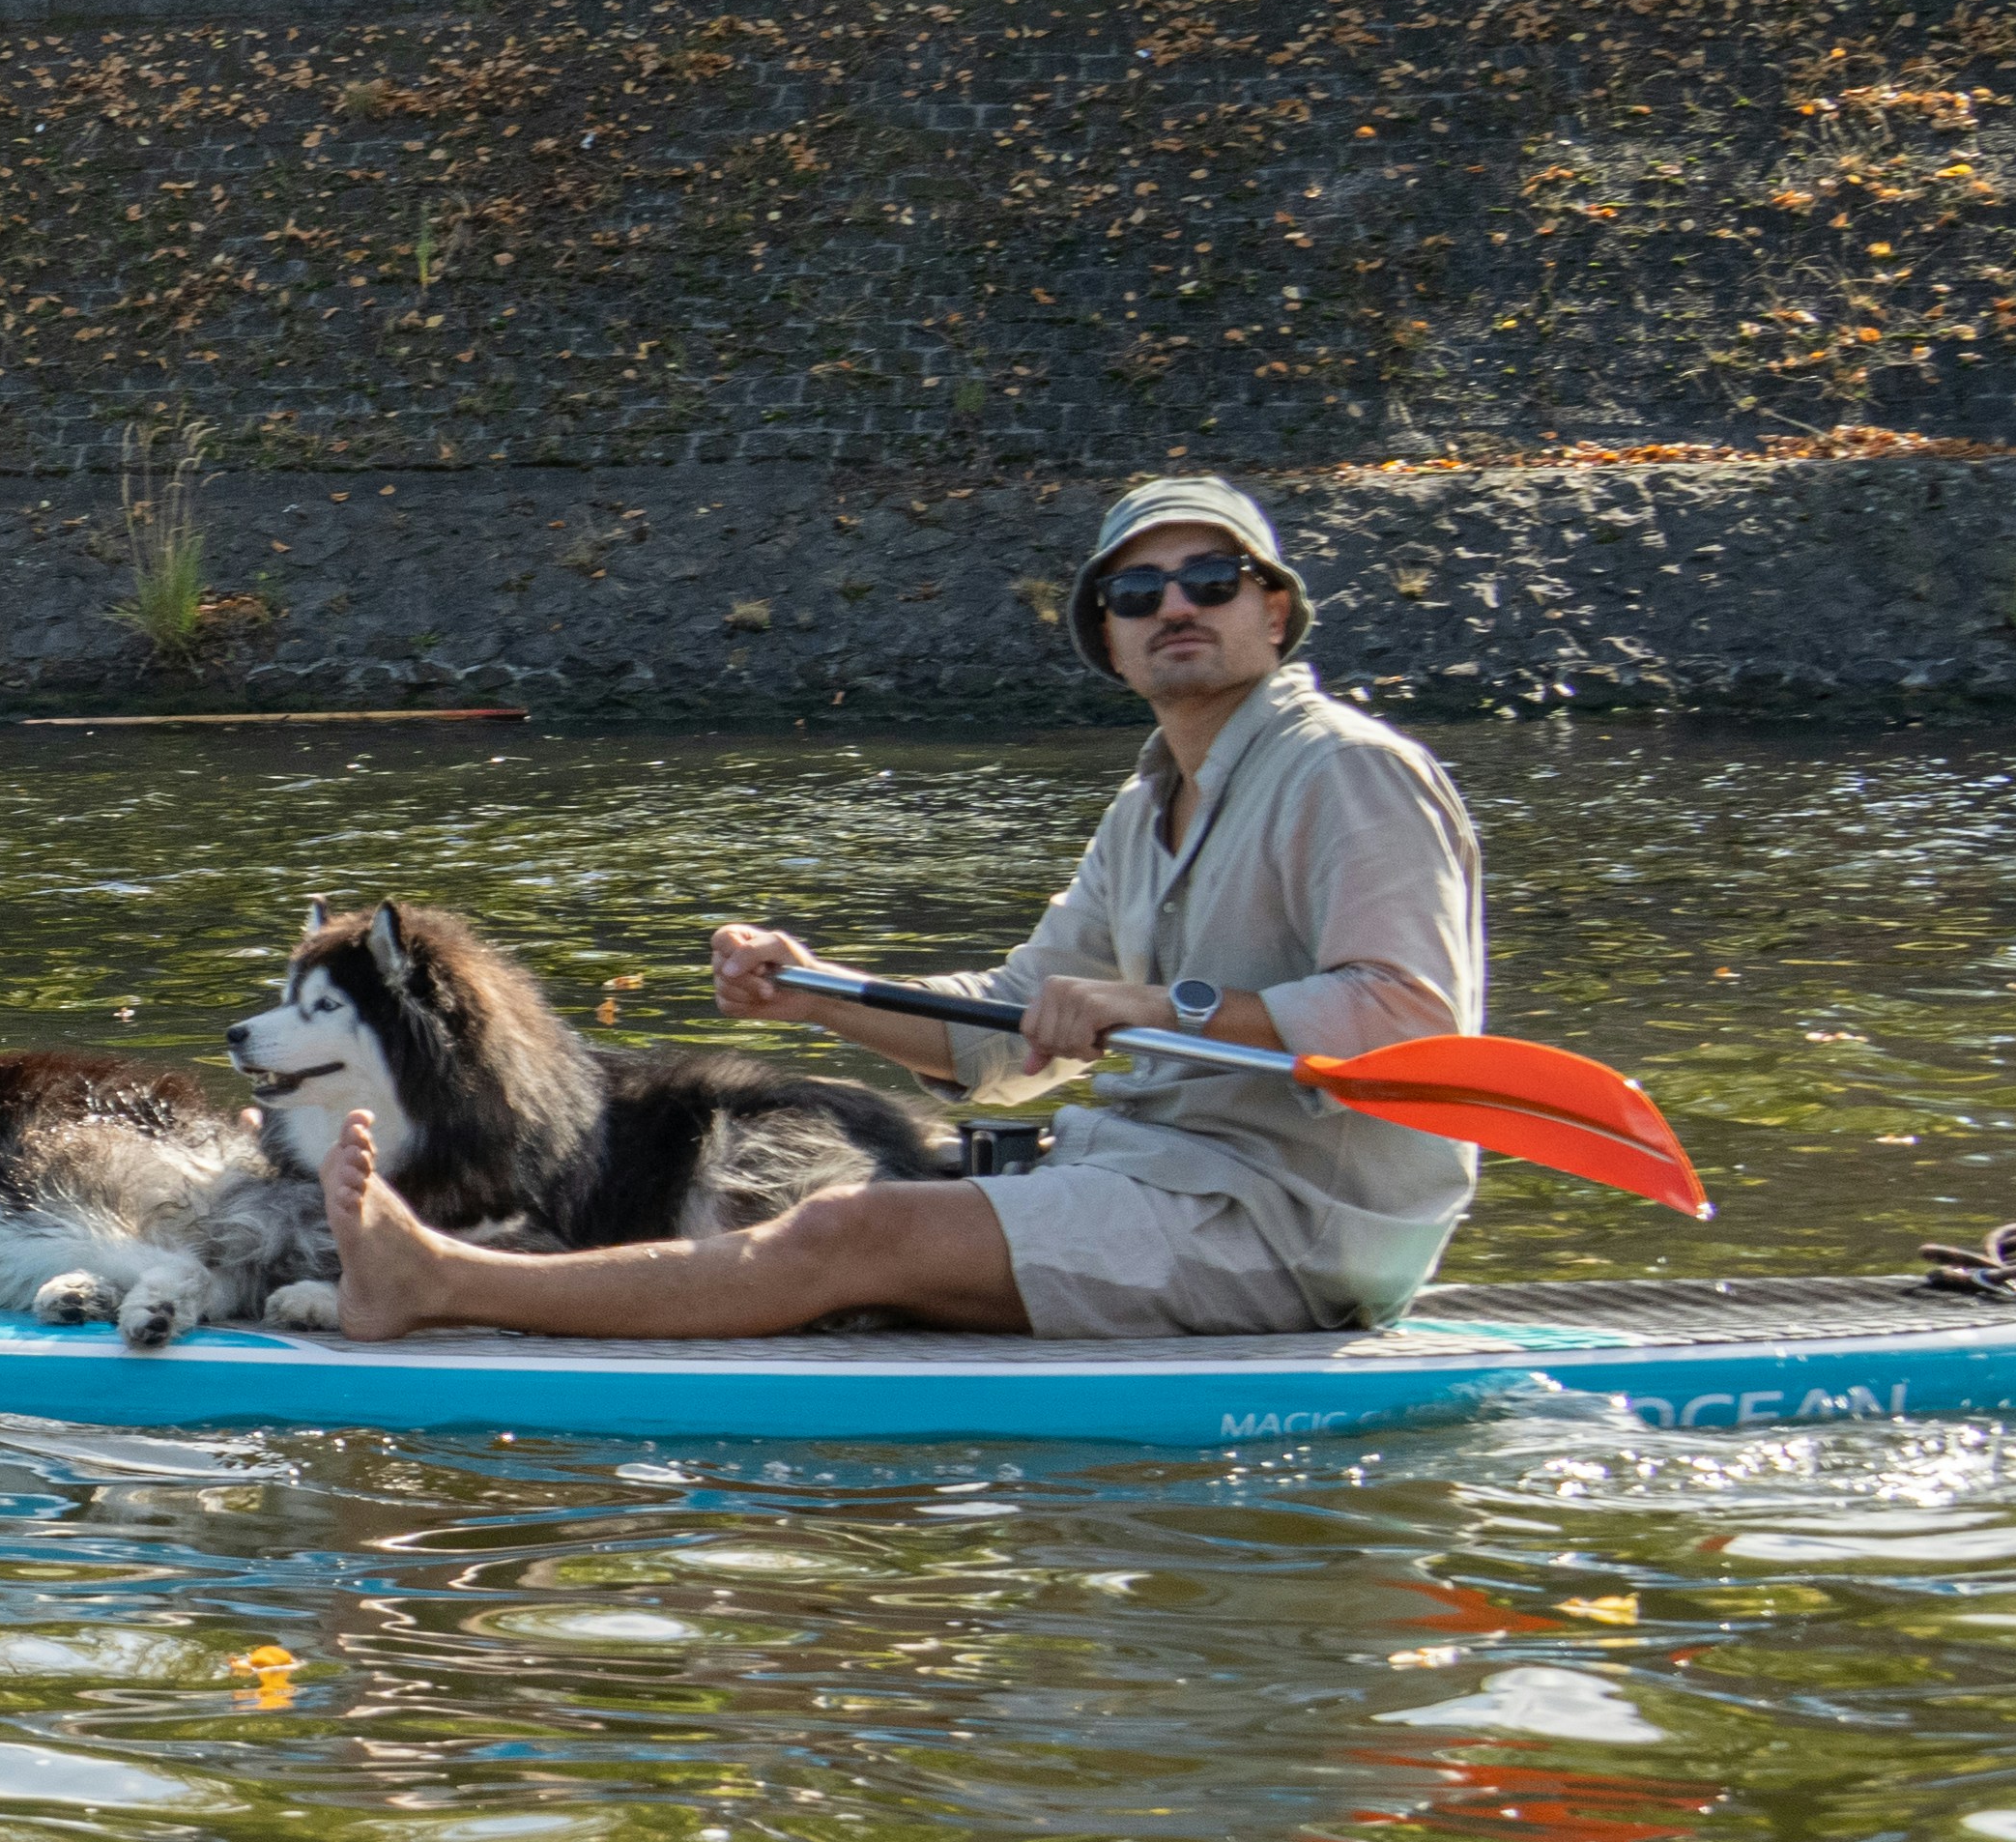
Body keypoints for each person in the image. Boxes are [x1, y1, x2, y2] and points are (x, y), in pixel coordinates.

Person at [323, 474, 1489, 1342]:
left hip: (1290, 1218)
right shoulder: (1145, 810)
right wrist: (813, 989)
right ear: (1109, 638)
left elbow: (1404, 1018)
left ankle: (436, 1281)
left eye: (1210, 580)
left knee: (843, 1229)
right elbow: (1009, 1032)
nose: (1173, 605)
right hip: (1150, 1173)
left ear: (1274, 614)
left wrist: (1153, 1001)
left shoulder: (1344, 769)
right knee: (848, 1187)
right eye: (1137, 591)